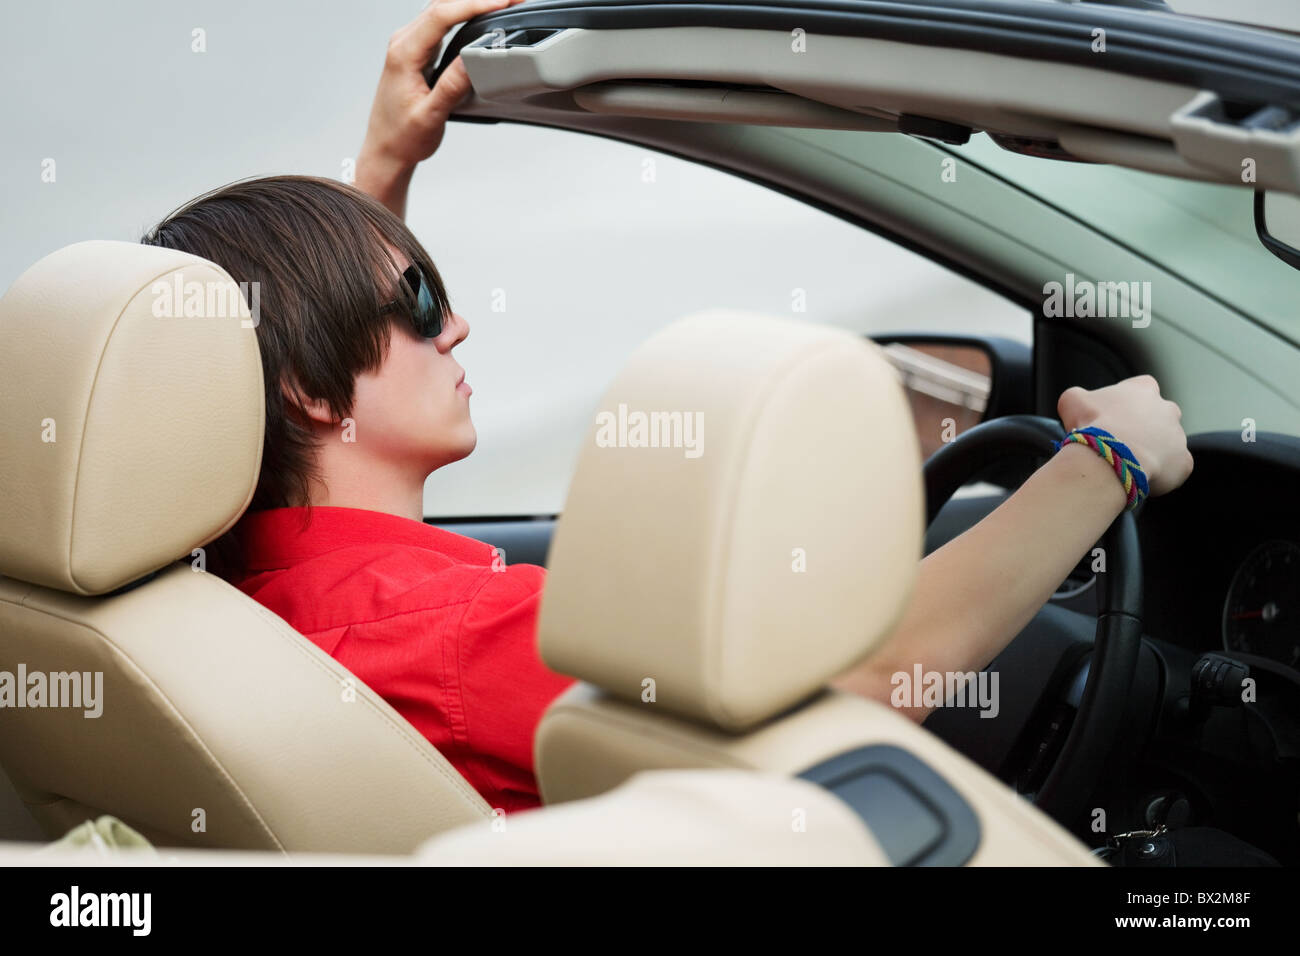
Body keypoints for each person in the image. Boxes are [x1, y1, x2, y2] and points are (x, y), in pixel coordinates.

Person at [141, 0, 1193, 813]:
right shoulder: (456, 633)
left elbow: (307, 345)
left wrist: (382, 171)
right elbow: (853, 701)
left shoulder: (233, 599)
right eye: (418, 300)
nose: (456, 326)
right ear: (306, 389)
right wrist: (1104, 459)